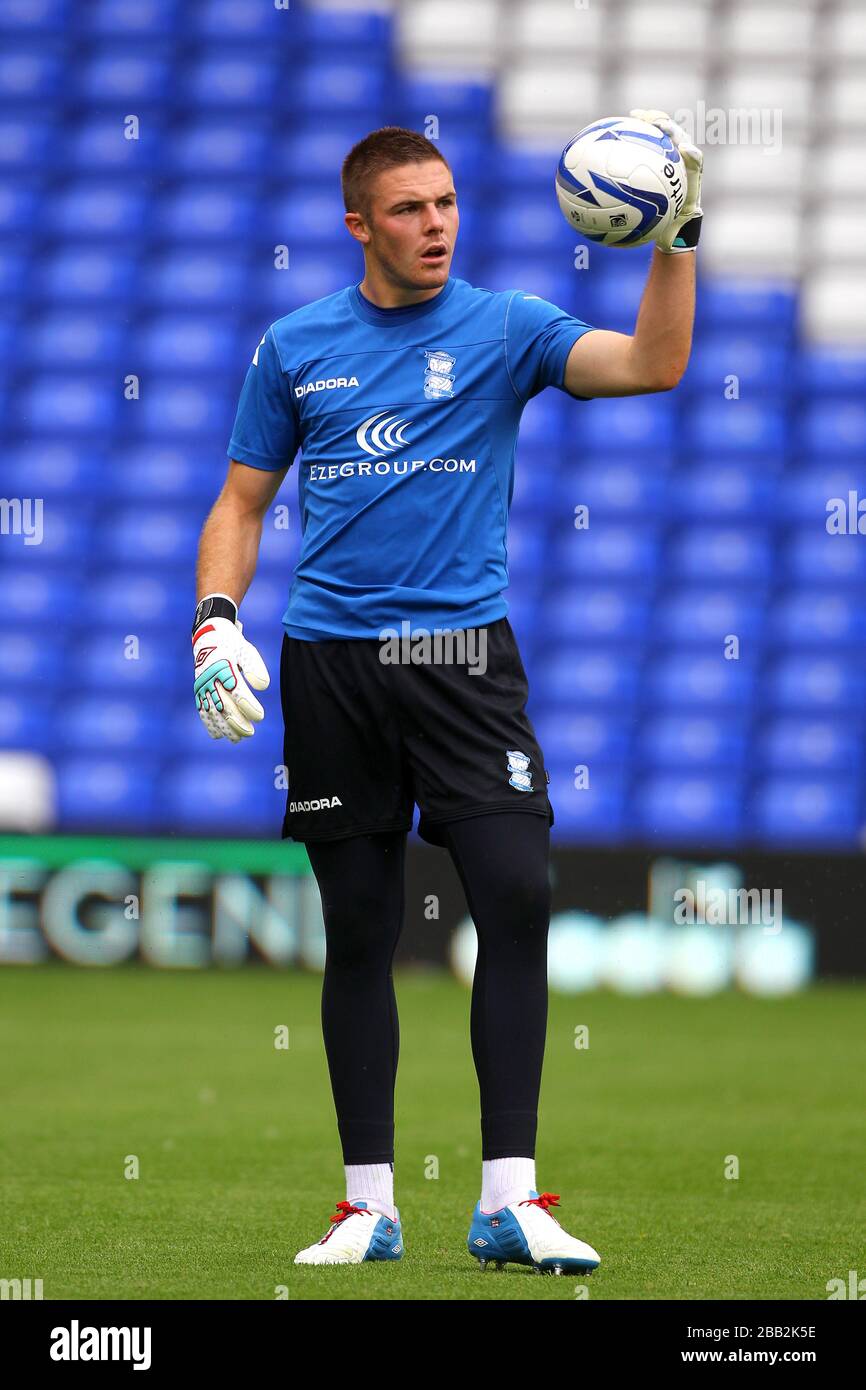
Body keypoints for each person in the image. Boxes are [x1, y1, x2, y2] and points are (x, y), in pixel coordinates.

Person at [192, 115, 702, 1274]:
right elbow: (239, 503)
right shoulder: (295, 345)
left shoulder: (505, 325)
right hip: (333, 665)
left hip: (464, 661)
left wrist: (676, 234)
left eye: (447, 204)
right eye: (411, 210)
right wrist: (212, 620)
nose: (436, 226)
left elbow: (652, 365)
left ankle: (507, 1200)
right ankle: (365, 1206)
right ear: (358, 225)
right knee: (361, 930)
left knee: (516, 892)